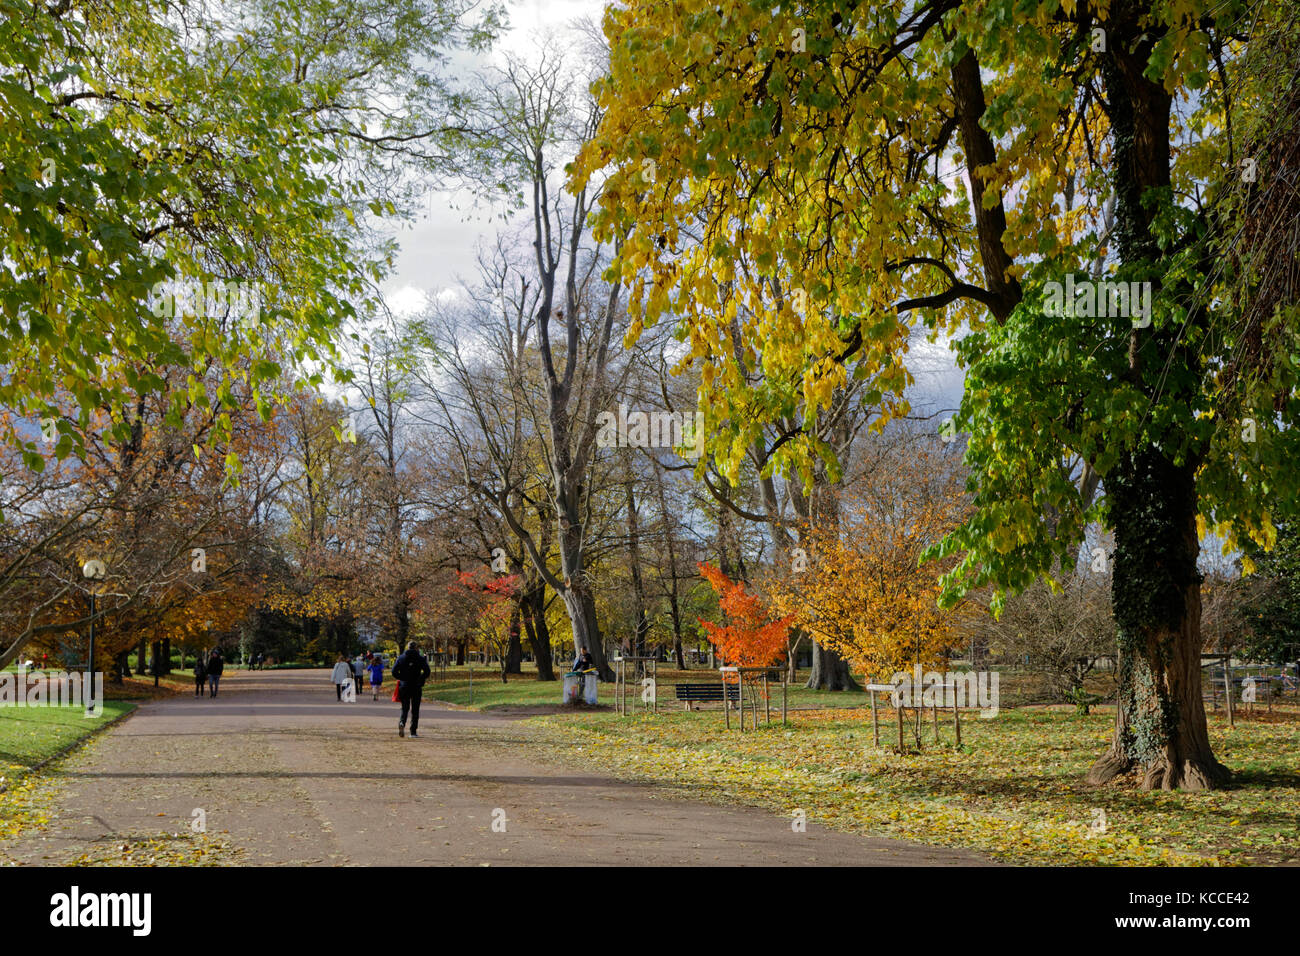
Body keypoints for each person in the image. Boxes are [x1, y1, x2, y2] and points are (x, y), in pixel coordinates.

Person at [391, 642, 430, 737]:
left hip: (404, 685)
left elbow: (394, 671)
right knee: (415, 709)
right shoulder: (420, 658)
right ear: (416, 648)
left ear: (407, 647)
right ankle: (413, 731)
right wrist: (420, 679)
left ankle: (402, 723)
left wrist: (402, 677)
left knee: (405, 707)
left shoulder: (401, 658)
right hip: (416, 685)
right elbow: (427, 672)